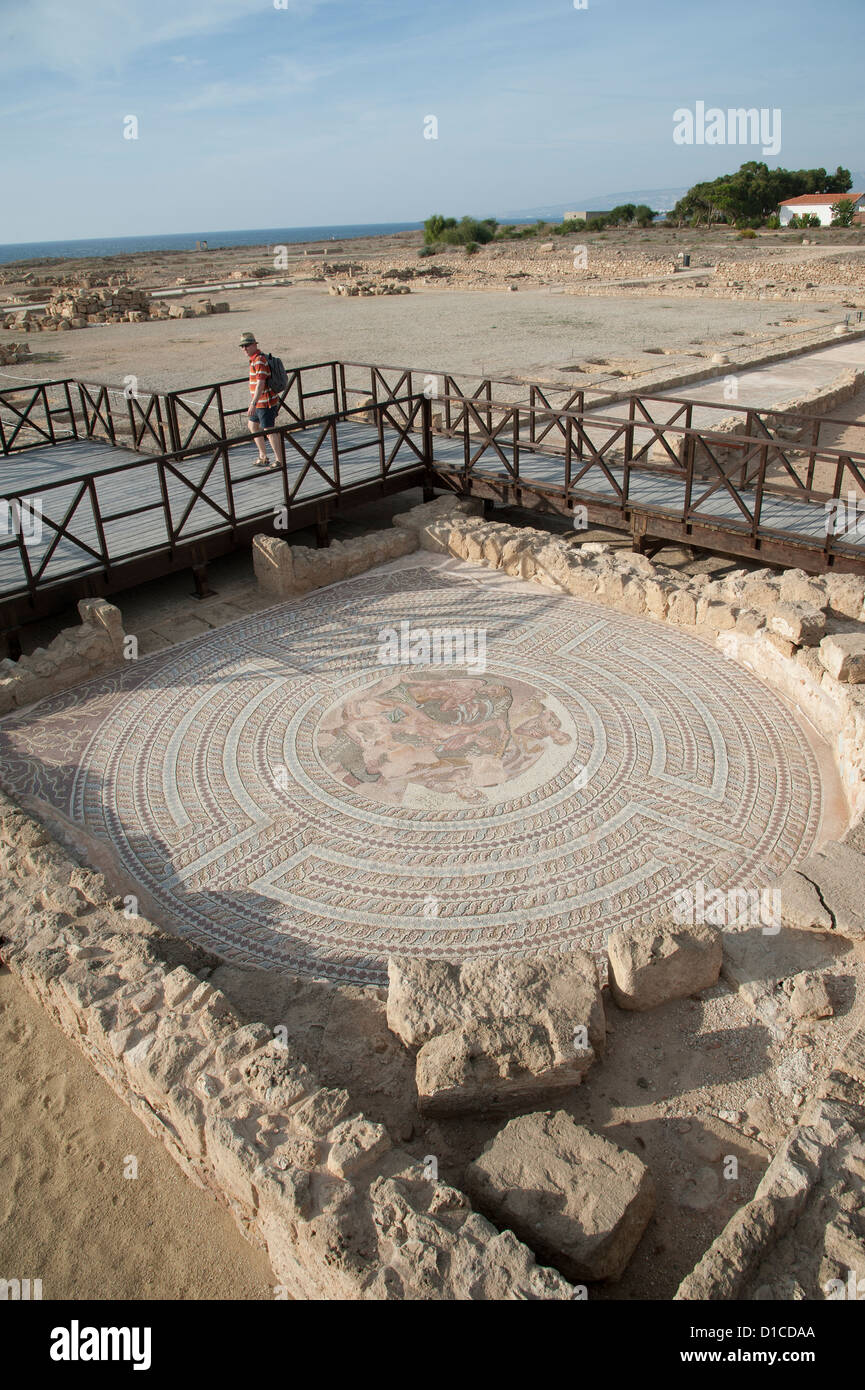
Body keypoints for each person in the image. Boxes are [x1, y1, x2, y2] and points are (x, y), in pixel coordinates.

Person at [240, 331, 284, 468]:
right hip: (260, 402)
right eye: (242, 346)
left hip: (265, 402)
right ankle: (263, 456)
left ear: (254, 345)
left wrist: (253, 403)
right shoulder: (255, 359)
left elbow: (261, 383)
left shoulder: (259, 360)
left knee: (269, 430)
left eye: (247, 345)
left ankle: (279, 460)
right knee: (252, 426)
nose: (244, 349)